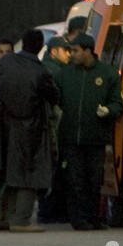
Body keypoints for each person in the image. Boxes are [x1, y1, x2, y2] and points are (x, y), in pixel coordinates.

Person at [0, 29, 61, 232]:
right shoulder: (40, 71)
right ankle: (21, 219)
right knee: (30, 174)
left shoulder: (6, 63)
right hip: (31, 128)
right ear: (40, 47)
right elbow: (54, 96)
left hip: (4, 127)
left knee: (7, 171)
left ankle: (5, 217)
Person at [52, 34, 123, 230]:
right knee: (75, 179)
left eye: (75, 51)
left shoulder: (107, 74)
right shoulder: (65, 74)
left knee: (94, 180)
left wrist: (109, 110)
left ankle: (93, 218)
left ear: (87, 51)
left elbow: (118, 102)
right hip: (70, 137)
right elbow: (53, 96)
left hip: (96, 137)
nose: (71, 54)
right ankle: (78, 219)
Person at [37, 35, 71, 224]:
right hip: (52, 126)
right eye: (65, 51)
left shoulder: (50, 68)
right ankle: (51, 210)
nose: (68, 54)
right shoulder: (56, 71)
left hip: (46, 126)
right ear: (54, 52)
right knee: (55, 168)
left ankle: (48, 210)